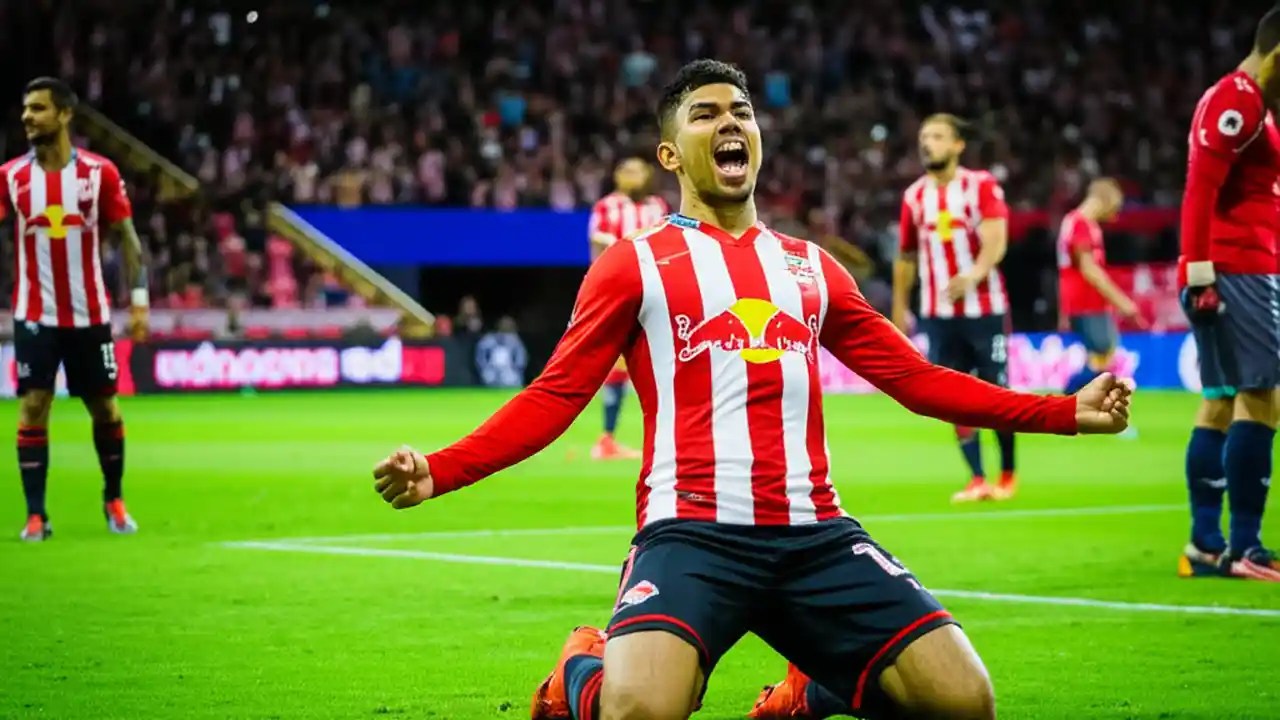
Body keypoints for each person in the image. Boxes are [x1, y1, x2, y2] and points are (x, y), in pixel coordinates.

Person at [371, 60, 1133, 720]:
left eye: (740, 112)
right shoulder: (633, 263)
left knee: (965, 702)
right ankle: (581, 670)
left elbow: (916, 379)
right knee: (641, 711)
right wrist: (440, 469)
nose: (729, 122)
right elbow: (554, 397)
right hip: (691, 534)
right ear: (672, 152)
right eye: (705, 114)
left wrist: (1066, 412)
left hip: (816, 535)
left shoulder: (810, 266)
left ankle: (807, 694)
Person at [4, 78, 149, 542]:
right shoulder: (11, 177)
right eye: (26, 109)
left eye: (38, 109)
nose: (28, 117)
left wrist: (140, 301)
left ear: (65, 114)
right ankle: (35, 515)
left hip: (90, 315)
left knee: (105, 408)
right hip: (34, 315)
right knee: (33, 406)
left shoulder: (99, 173)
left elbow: (128, 239)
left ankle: (114, 498)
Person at [1177, 8, 1280, 582]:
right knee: (1262, 398)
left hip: (1224, 268)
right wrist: (1199, 275)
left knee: (1218, 398)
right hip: (1237, 268)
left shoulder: (1244, 100)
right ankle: (1247, 547)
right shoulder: (1239, 100)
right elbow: (1200, 190)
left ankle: (1205, 545)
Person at [892, 114, 1017, 503]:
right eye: (924, 136)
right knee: (952, 396)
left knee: (997, 390)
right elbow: (907, 255)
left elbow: (997, 239)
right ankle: (978, 478)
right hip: (937, 314)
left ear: (958, 144)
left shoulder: (980, 186)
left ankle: (1008, 474)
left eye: (938, 136)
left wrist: (975, 275)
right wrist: (899, 306)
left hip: (984, 309)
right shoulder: (914, 196)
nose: (928, 143)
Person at [586, 153, 668, 460]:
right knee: (618, 364)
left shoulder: (656, 206)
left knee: (658, 363)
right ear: (619, 176)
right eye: (627, 170)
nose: (633, 176)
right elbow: (597, 237)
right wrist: (629, 244)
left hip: (655, 292)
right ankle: (607, 439)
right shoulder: (607, 206)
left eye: (638, 170)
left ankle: (662, 439)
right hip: (617, 292)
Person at [1057, 178, 1145, 399]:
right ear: (1103, 200)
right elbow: (1089, 270)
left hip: (1085, 301)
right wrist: (1122, 301)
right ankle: (1065, 400)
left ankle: (1075, 407)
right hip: (1086, 303)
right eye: (1114, 207)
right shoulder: (1080, 224)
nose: (1115, 216)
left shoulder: (1078, 223)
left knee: (1101, 356)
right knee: (1103, 354)